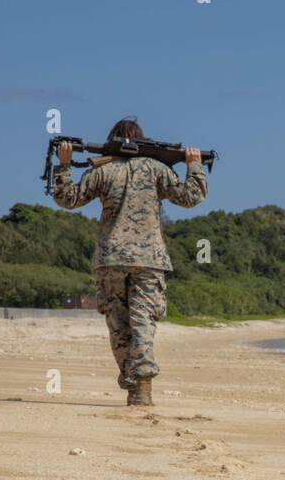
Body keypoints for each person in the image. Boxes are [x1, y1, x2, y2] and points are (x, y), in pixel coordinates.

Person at [51, 117, 207, 406]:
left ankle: (134, 385)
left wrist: (63, 165)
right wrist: (194, 165)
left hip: (111, 258)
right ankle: (142, 386)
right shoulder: (157, 169)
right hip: (149, 259)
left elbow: (67, 199)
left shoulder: (103, 171)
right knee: (143, 321)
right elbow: (190, 196)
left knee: (119, 324)